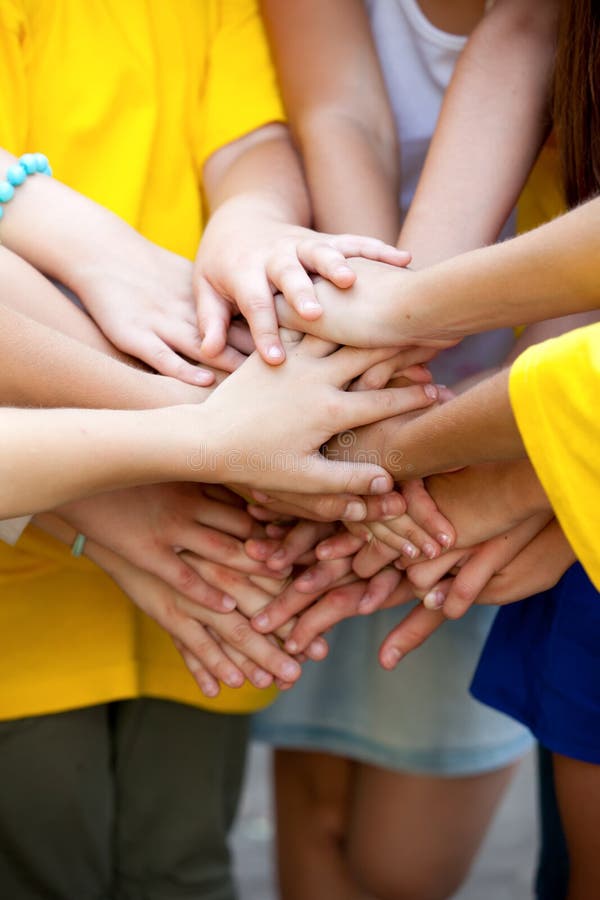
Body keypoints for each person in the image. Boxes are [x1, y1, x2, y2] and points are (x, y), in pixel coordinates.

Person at [0, 3, 418, 897]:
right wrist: (210, 433)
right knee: (42, 861)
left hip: (216, 573)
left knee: (183, 865)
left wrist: (253, 221)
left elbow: (250, 142)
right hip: (28, 577)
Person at [246, 2, 562, 898]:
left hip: (511, 413)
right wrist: (376, 381)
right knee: (313, 807)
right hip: (334, 389)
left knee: (400, 865)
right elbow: (343, 115)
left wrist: (428, 419)